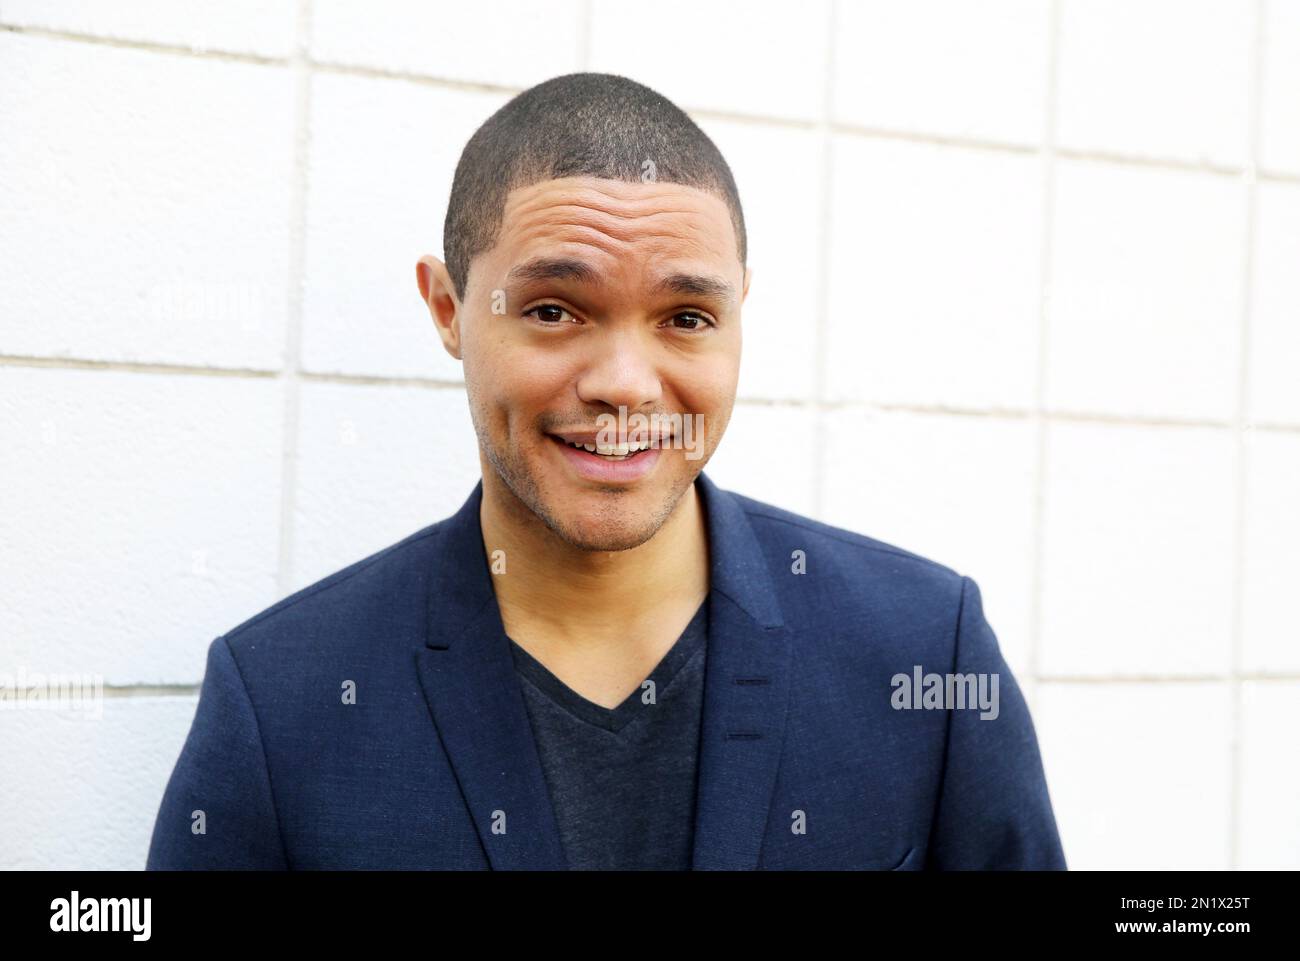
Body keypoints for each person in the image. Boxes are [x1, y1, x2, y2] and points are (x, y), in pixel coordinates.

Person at [146, 72, 1066, 870]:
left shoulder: (922, 651)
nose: (627, 384)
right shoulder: (281, 702)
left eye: (686, 318)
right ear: (448, 307)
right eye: (553, 309)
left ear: (740, 312)